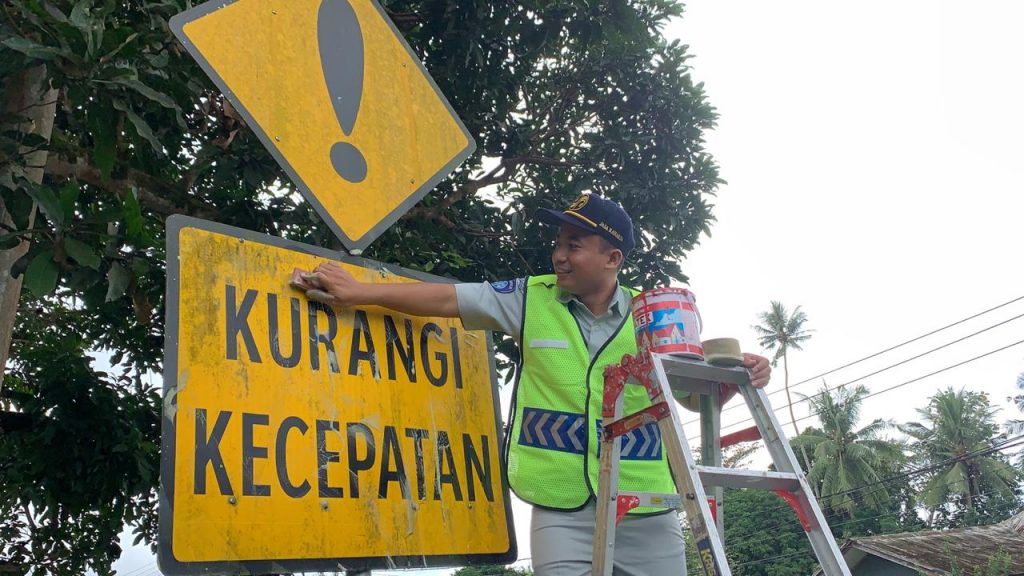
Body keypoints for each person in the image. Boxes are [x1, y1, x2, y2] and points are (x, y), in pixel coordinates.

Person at [295, 193, 771, 576]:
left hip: (646, 506)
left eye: (574, 245)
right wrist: (359, 293)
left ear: (612, 258)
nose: (559, 256)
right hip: (561, 507)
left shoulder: (653, 314)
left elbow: (688, 398)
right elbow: (446, 299)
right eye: (558, 243)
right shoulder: (529, 298)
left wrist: (732, 380)